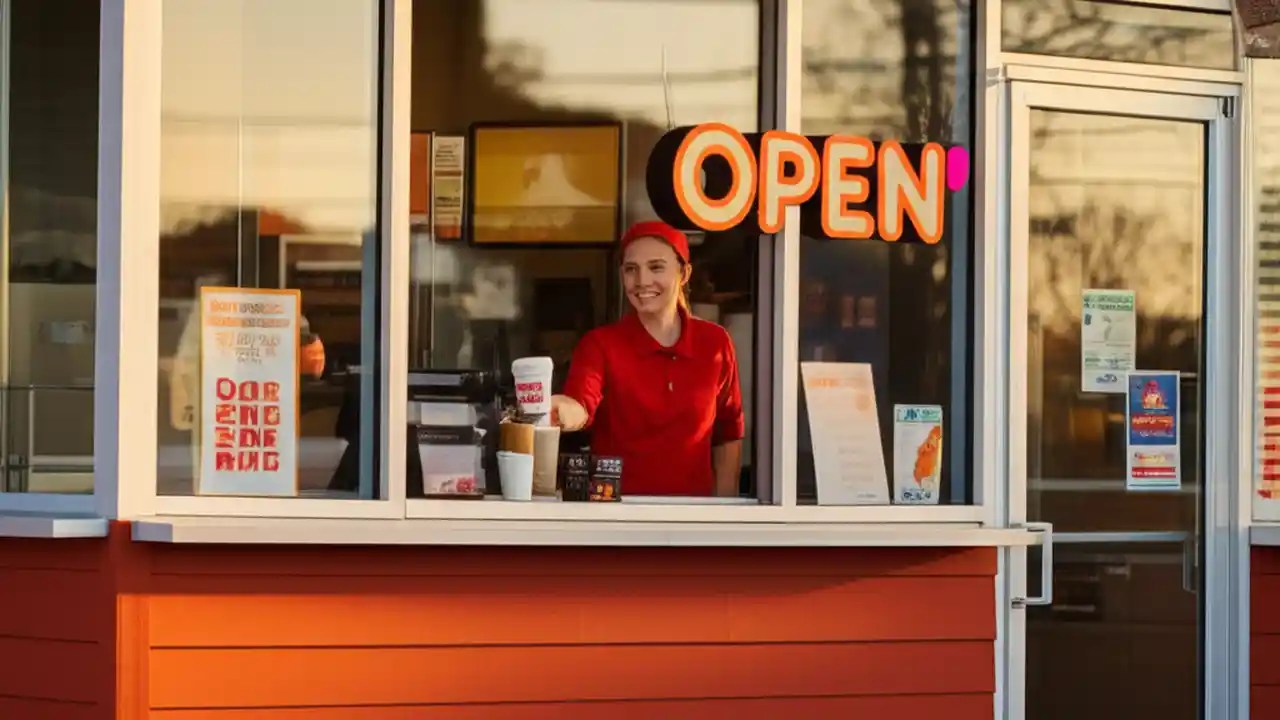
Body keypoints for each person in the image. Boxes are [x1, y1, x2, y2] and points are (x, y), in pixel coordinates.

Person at [550, 221, 744, 496]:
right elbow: (582, 404)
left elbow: (728, 434)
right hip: (617, 517)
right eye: (631, 269)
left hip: (694, 518)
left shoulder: (715, 343)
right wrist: (561, 411)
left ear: (684, 273)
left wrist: (724, 517)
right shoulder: (600, 344)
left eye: (656, 267)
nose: (642, 281)